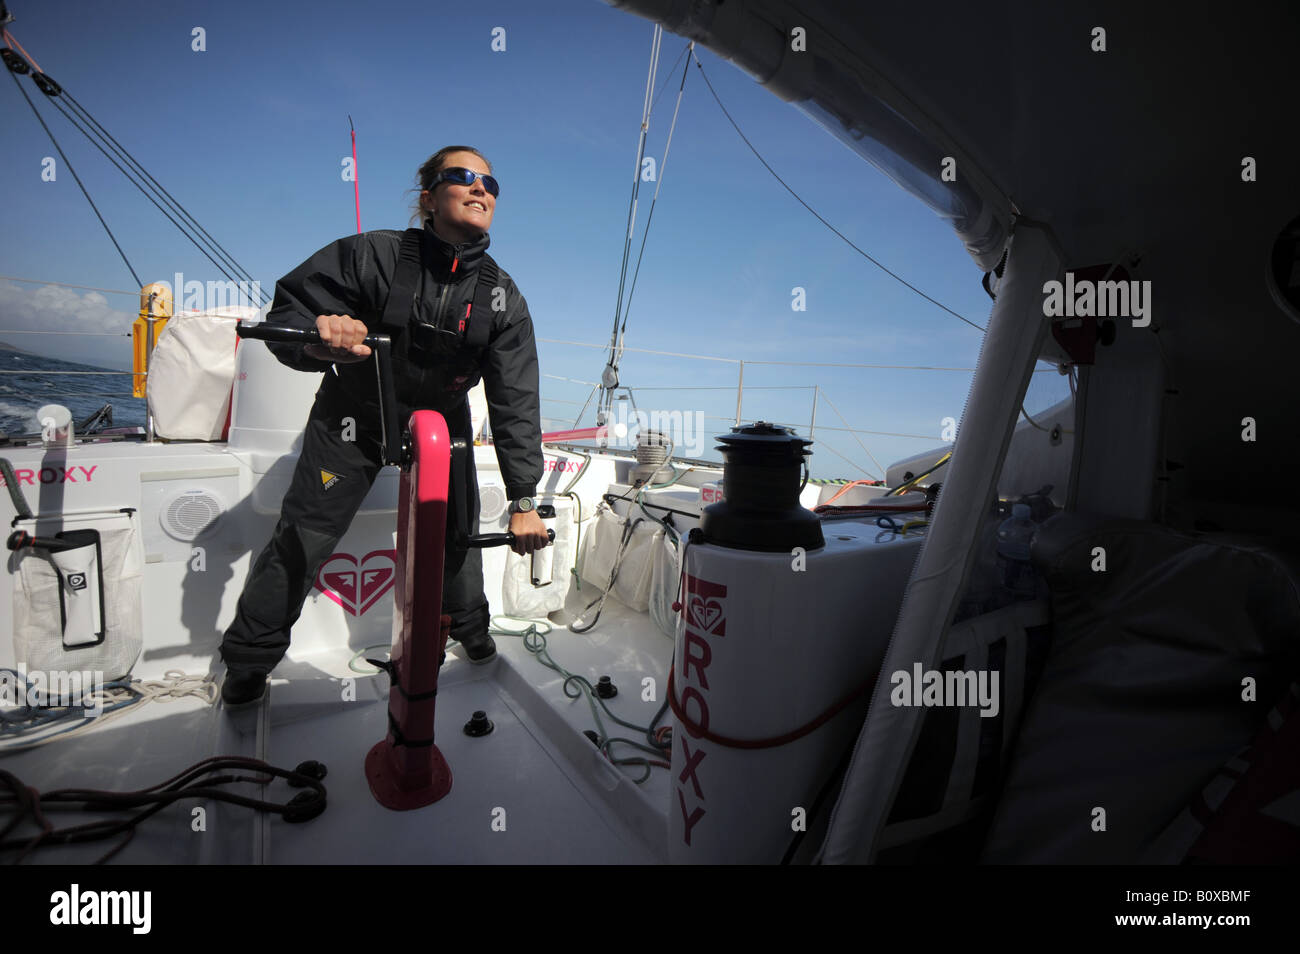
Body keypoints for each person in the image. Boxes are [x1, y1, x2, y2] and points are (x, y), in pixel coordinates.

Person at [219, 146, 548, 706]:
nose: (480, 189)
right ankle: (251, 660)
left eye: (491, 184)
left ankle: (470, 629)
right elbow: (286, 319)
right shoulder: (371, 255)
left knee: (459, 534)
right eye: (463, 177)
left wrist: (523, 499)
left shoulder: (503, 297)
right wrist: (325, 337)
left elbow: (516, 399)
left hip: (444, 425)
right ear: (428, 196)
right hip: (355, 415)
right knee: (305, 536)